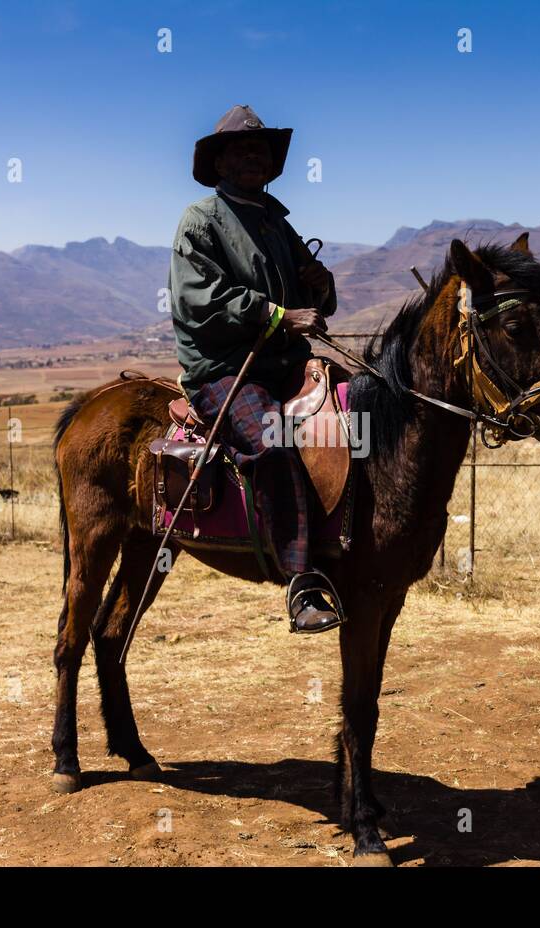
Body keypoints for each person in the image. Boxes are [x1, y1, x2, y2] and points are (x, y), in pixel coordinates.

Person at [168, 105, 342, 633]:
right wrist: (278, 315)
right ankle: (302, 580)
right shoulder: (200, 221)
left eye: (261, 149)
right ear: (218, 162)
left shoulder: (277, 223)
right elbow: (199, 298)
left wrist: (318, 282)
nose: (253, 156)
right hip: (225, 367)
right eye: (241, 149)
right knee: (273, 441)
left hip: (285, 360)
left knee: (356, 419)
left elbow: (319, 305)